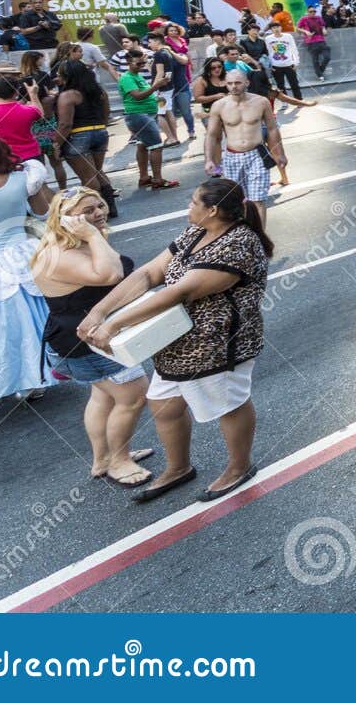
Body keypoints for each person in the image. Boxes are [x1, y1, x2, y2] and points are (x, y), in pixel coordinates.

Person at [77, 178, 272, 503]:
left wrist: (114, 324)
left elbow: (180, 291)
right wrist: (100, 312)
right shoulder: (196, 233)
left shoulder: (239, 243)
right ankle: (179, 468)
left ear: (212, 210)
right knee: (163, 407)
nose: (188, 207)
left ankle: (239, 467)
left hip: (217, 345)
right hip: (176, 344)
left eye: (194, 202)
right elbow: (148, 274)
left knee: (229, 406)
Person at [33, 188, 154, 487]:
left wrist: (93, 236)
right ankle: (119, 461)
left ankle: (102, 459)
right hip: (84, 344)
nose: (99, 212)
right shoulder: (58, 253)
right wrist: (94, 236)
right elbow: (111, 276)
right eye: (88, 210)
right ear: (64, 218)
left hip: (85, 341)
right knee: (133, 395)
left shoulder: (81, 242)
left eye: (99, 205)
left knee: (103, 396)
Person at [0, 132, 51, 406]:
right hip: (21, 251)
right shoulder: (24, 175)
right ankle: (36, 377)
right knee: (33, 317)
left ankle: (4, 378)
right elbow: (43, 214)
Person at [205, 67, 286, 222]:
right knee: (237, 202)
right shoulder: (219, 105)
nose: (233, 86)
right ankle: (244, 236)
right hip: (231, 157)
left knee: (258, 200)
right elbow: (212, 135)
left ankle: (260, 240)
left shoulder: (261, 102)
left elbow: (272, 129)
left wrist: (279, 154)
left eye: (237, 83)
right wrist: (210, 160)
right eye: (229, 83)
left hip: (256, 155)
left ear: (247, 83)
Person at [53, 59, 117, 218]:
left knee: (88, 177)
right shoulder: (99, 92)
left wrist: (56, 144)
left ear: (67, 76)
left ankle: (96, 213)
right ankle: (110, 208)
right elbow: (106, 114)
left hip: (78, 136)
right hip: (100, 132)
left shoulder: (67, 95)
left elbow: (65, 125)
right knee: (98, 171)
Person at [119, 50, 177, 191]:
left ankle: (144, 178)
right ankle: (158, 180)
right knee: (156, 146)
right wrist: (156, 86)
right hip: (139, 116)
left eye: (143, 62)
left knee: (142, 145)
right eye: (138, 63)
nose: (141, 65)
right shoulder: (127, 78)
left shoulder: (136, 76)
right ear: (128, 62)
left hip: (144, 115)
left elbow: (145, 95)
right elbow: (138, 96)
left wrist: (157, 99)